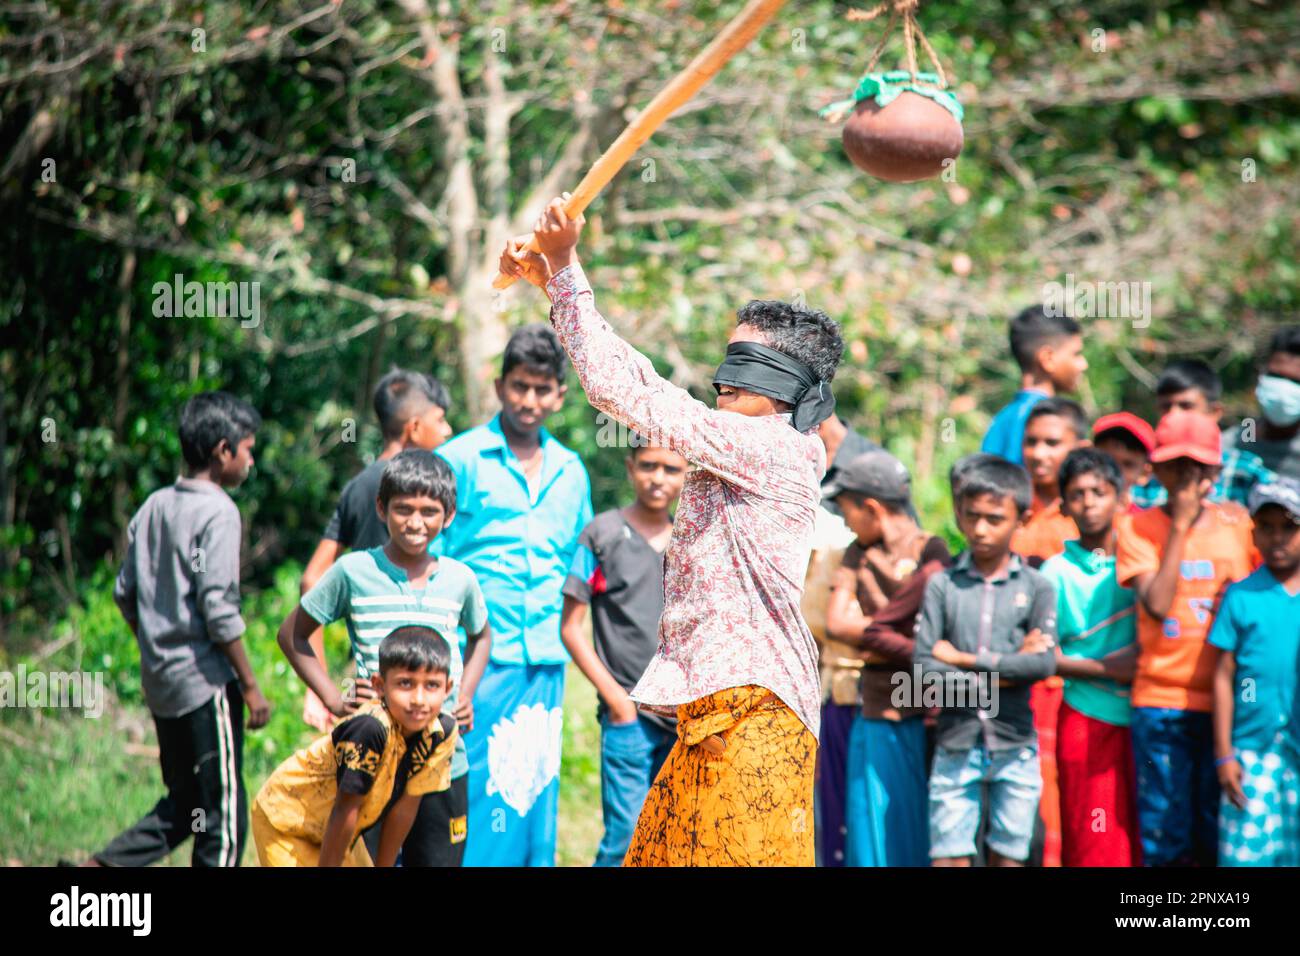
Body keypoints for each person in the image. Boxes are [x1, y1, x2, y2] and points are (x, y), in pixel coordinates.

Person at [501, 195, 844, 866]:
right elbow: (642, 382)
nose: (722, 378)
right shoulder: (744, 441)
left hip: (757, 718)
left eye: (743, 361)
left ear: (784, 383)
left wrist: (569, 265)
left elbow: (631, 394)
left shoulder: (774, 446)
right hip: (709, 717)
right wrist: (556, 282)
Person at [276, 450, 489, 866]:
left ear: (448, 516)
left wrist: (465, 693)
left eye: (429, 511)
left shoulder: (460, 580)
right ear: (381, 508)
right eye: (403, 509)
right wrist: (333, 700)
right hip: (373, 758)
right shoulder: (353, 571)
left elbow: (481, 635)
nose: (415, 522)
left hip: (444, 758)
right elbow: (292, 635)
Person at [88, 392, 271, 867]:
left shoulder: (154, 506)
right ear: (223, 450)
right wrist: (251, 687)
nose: (251, 461)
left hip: (162, 683)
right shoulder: (219, 512)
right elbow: (219, 608)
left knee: (188, 803)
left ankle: (99, 869)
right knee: (224, 818)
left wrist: (156, 644)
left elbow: (125, 593)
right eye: (248, 450)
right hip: (205, 684)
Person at [436, 323, 593, 867]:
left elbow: (583, 564)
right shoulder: (461, 458)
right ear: (501, 385)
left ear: (560, 395)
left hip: (545, 659)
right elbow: (428, 554)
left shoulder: (572, 471)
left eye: (542, 388)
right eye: (520, 386)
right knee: (473, 785)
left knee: (533, 787)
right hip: (477, 659)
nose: (530, 400)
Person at [1116, 410, 1259, 866]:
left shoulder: (1240, 529)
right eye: (1175, 467)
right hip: (1162, 705)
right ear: (1156, 469)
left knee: (1215, 830)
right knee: (1166, 832)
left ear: (1214, 473)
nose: (1184, 478)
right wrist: (1178, 525)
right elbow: (1156, 605)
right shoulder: (1137, 529)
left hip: (1226, 709)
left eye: (1196, 468)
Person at [914, 456, 1058, 866]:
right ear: (959, 514)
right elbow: (924, 671)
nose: (980, 529)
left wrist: (961, 659)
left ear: (1022, 519)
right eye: (972, 516)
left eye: (994, 519)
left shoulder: (1037, 586)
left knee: (1009, 857)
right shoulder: (943, 585)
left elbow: (1043, 667)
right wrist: (1009, 667)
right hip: (956, 739)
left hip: (1015, 743)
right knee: (949, 857)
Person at [299, 369, 453, 732]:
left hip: (370, 671)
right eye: (441, 420)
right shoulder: (430, 492)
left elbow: (310, 578)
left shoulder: (357, 485)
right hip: (417, 677)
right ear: (414, 427)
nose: (447, 431)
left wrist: (318, 684)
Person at [560, 441, 687, 866]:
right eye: (649, 465)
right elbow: (570, 628)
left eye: (672, 468)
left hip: (683, 719)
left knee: (677, 837)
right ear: (630, 467)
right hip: (628, 718)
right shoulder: (602, 534)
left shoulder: (692, 540)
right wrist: (617, 700)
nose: (658, 477)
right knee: (626, 839)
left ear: (688, 475)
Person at [823, 450, 952, 866]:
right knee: (868, 830)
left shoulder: (933, 550)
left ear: (872, 508)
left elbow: (855, 624)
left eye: (847, 512)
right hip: (875, 705)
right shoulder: (857, 553)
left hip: (920, 711)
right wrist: (900, 635)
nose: (845, 523)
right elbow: (836, 623)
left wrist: (872, 634)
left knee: (910, 827)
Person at [252, 627, 458, 866]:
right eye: (405, 684)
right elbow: (344, 810)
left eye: (432, 686)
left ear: (447, 688)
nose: (419, 700)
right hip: (287, 821)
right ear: (379, 686)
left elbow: (404, 809)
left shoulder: (441, 733)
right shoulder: (369, 729)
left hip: (335, 827)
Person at [1040, 449, 1141, 866]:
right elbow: (1042, 656)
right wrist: (1109, 669)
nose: (1088, 502)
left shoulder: (1142, 560)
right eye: (1077, 494)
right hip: (1084, 714)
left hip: (1143, 715)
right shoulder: (1055, 571)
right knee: (1090, 836)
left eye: (1099, 492)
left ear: (1121, 497)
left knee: (1141, 831)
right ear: (1063, 504)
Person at [1210, 477, 1300, 866]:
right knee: (1246, 854)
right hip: (1251, 752)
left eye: (1289, 527)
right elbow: (1222, 678)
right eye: (1267, 527)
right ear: (1254, 533)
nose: (1277, 538)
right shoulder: (1241, 596)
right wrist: (1224, 755)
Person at [1130, 360, 1274, 508]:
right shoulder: (1143, 475)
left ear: (1215, 412)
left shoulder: (1246, 473)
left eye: (1186, 406)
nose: (1175, 415)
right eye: (1165, 407)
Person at [981, 306, 1087, 464]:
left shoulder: (1003, 418)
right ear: (1047, 358)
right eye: (1076, 354)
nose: (1083, 364)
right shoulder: (1037, 420)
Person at [1012, 397, 1089, 564]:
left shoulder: (1091, 510)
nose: (1038, 454)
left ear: (1081, 449)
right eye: (1031, 442)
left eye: (1052, 443)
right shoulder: (1009, 502)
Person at [1222, 327, 1300, 482]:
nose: (1283, 389)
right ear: (1260, 374)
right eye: (1276, 376)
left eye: (1295, 381)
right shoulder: (1241, 437)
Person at [1092, 412, 1155, 513]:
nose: (1114, 470)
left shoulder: (1143, 526)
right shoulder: (1063, 518)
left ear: (1145, 473)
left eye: (1128, 464)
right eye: (1106, 460)